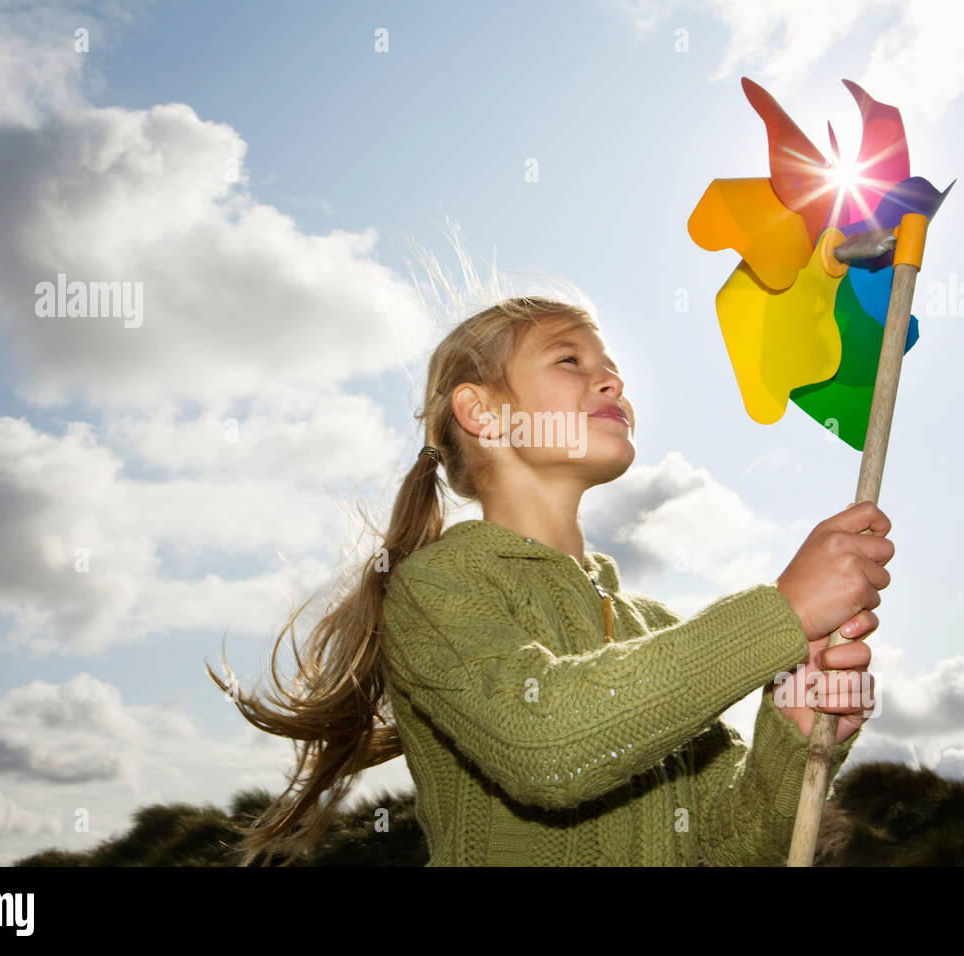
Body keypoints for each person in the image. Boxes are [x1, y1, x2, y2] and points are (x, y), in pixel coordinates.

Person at [209, 295, 892, 866]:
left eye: (613, 369)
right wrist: (780, 614)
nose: (612, 382)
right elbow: (547, 749)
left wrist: (792, 734)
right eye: (570, 360)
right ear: (483, 413)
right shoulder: (437, 588)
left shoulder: (655, 629)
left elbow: (737, 847)